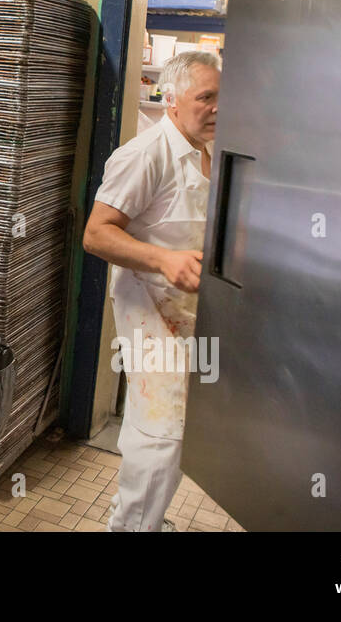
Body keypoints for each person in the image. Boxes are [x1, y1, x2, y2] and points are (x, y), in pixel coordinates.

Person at [81, 50, 221, 532]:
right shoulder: (144, 155)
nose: (218, 107)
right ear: (173, 101)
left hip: (193, 310)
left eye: (223, 97)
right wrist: (164, 259)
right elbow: (96, 233)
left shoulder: (214, 154)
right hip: (149, 308)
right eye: (206, 97)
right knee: (162, 431)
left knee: (185, 429)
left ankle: (149, 520)